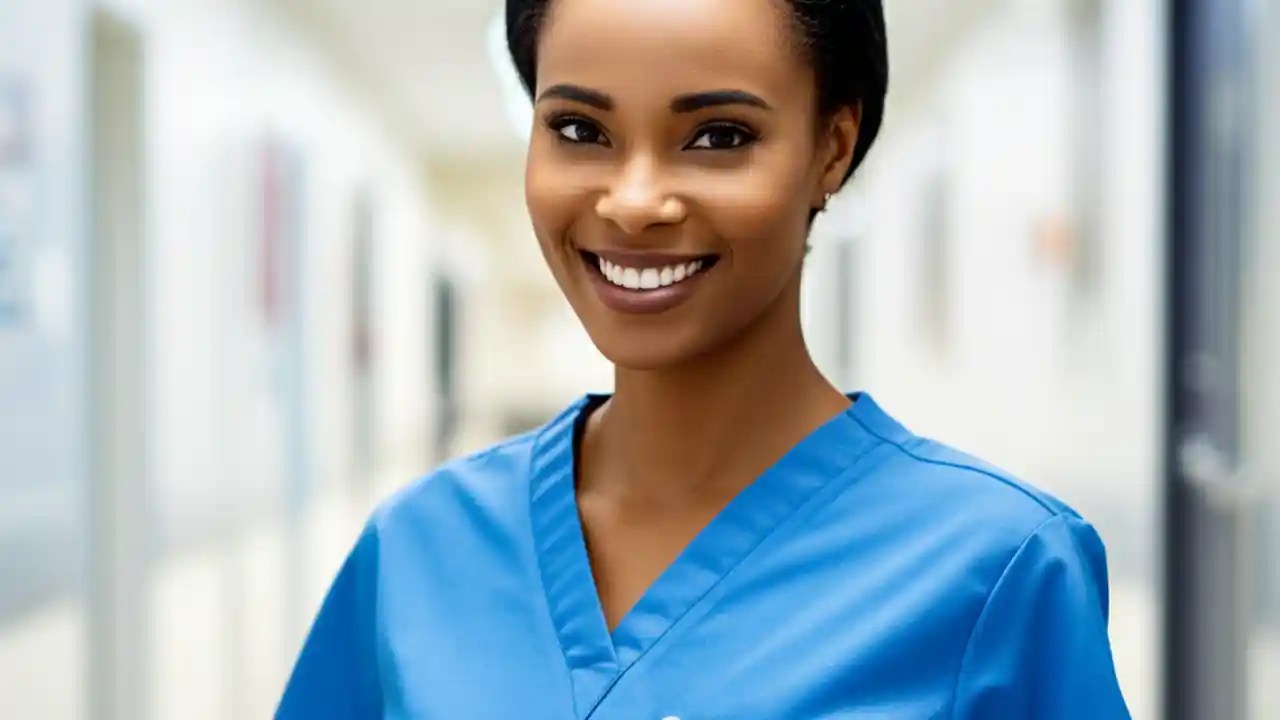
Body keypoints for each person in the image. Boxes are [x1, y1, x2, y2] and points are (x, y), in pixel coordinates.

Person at [277, 0, 1131, 717]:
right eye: (579, 128)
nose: (635, 201)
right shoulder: (419, 550)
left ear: (831, 148)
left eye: (719, 137)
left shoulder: (999, 572)